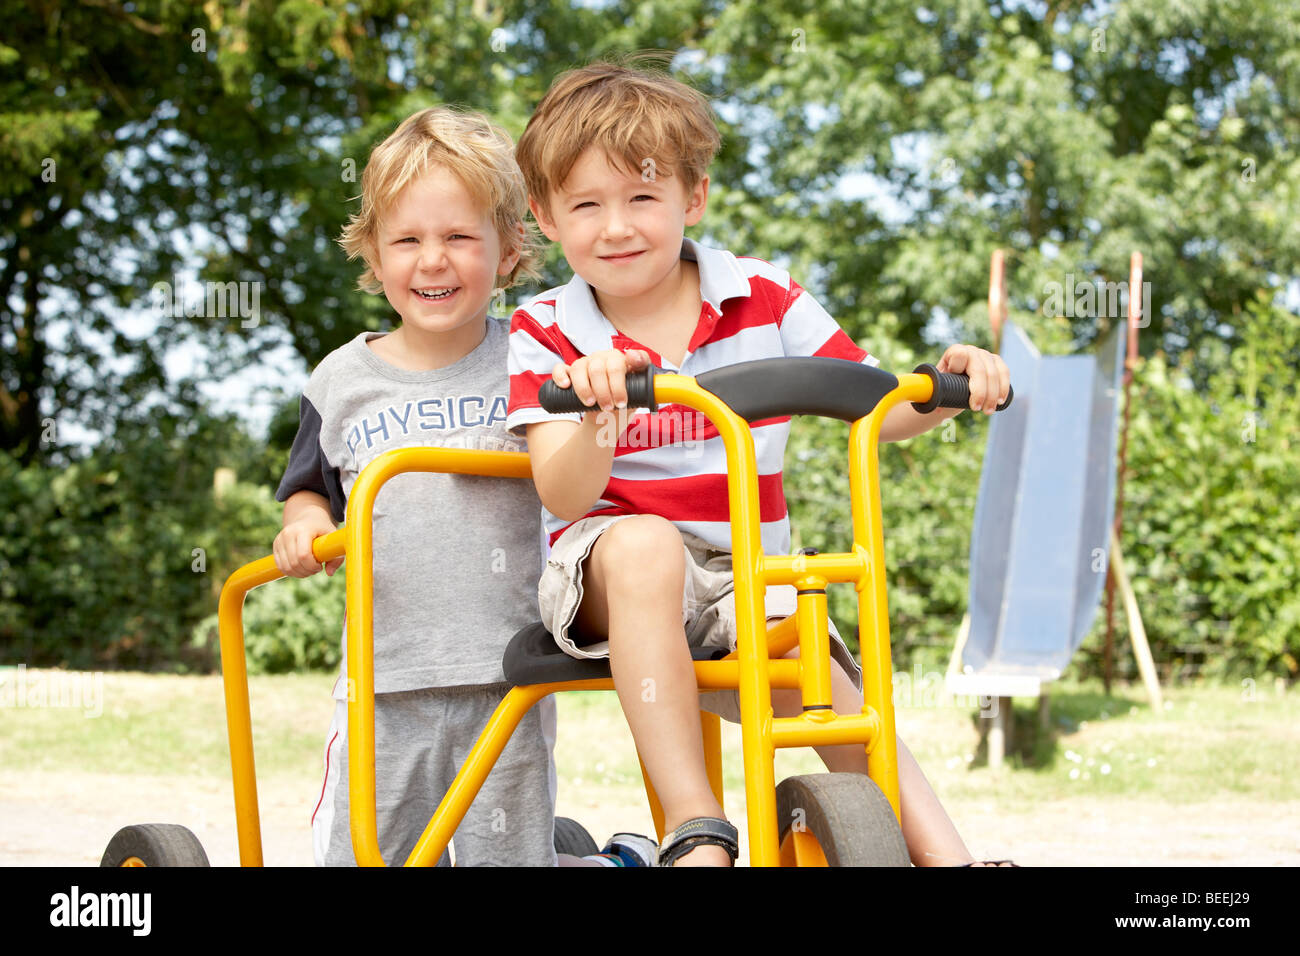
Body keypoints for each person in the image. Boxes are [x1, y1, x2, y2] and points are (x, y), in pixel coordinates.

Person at [507, 61, 1014, 866]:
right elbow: (561, 491)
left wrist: (950, 388)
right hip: (607, 571)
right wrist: (597, 413)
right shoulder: (545, 329)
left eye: (643, 198)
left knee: (833, 686)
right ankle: (695, 825)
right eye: (587, 206)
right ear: (546, 215)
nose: (617, 227)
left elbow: (874, 405)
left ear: (692, 197)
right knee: (645, 545)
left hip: (747, 575)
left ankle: (952, 860)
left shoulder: (763, 295)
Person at [273, 106, 560, 867]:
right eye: (408, 240)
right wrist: (302, 526)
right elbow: (308, 488)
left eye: (460, 237)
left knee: (511, 858)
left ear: (508, 251)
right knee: (372, 856)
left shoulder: (533, 358)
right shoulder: (342, 379)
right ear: (373, 254)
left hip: (511, 674)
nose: (433, 260)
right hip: (383, 677)